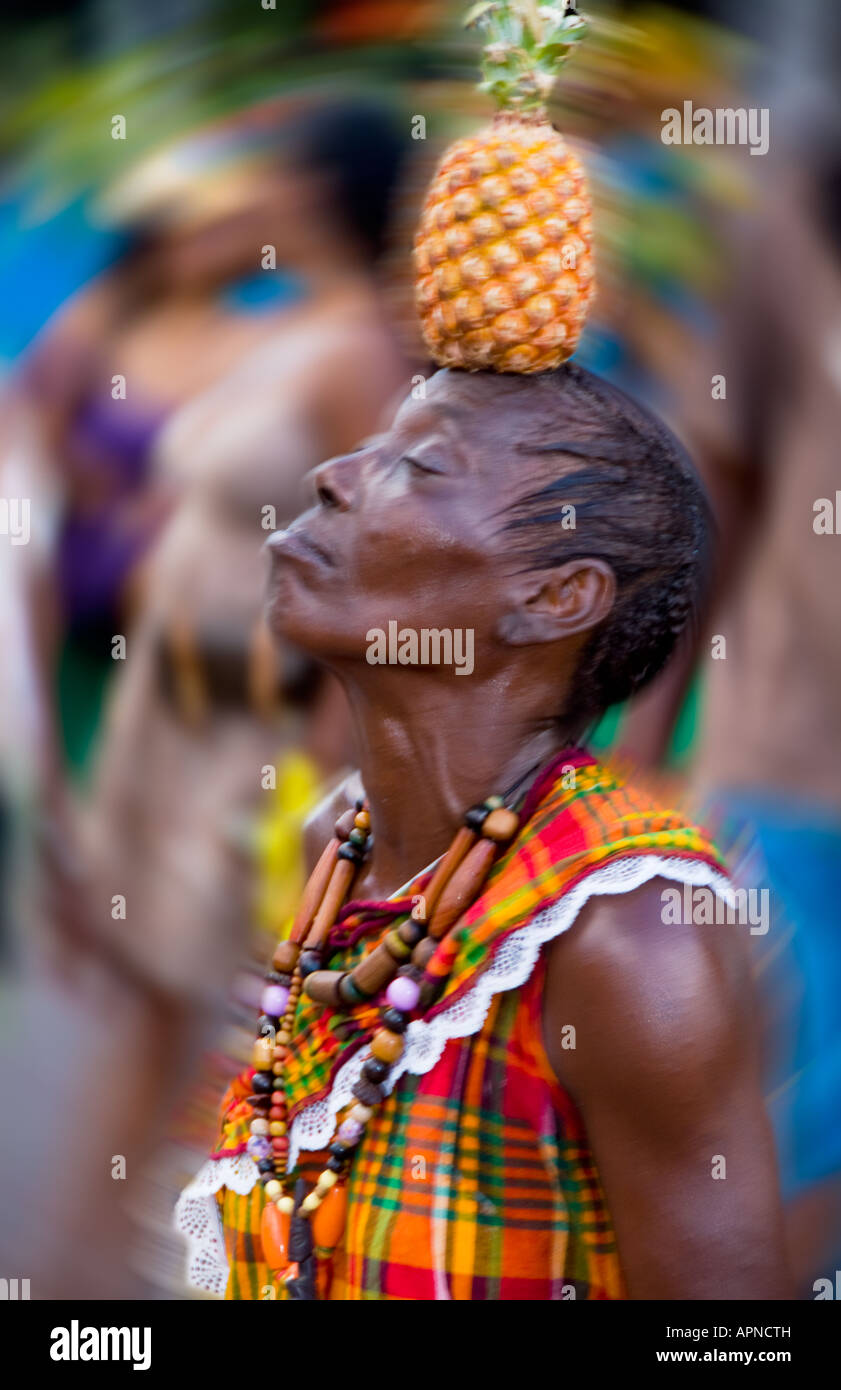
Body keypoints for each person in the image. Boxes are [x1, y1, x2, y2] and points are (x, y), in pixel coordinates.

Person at [177, 363, 791, 1300]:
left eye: (418, 465)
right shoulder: (335, 848)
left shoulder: (624, 931)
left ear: (556, 599)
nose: (334, 475)